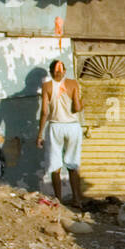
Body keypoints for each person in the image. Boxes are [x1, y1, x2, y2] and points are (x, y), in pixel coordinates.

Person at [37, 59, 84, 207]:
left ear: (51, 72)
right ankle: (77, 199)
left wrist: (39, 134)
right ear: (64, 71)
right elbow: (76, 108)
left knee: (55, 165)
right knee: (73, 164)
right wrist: (83, 103)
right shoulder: (73, 84)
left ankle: (58, 200)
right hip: (73, 127)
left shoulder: (46, 86)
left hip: (55, 127)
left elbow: (45, 111)